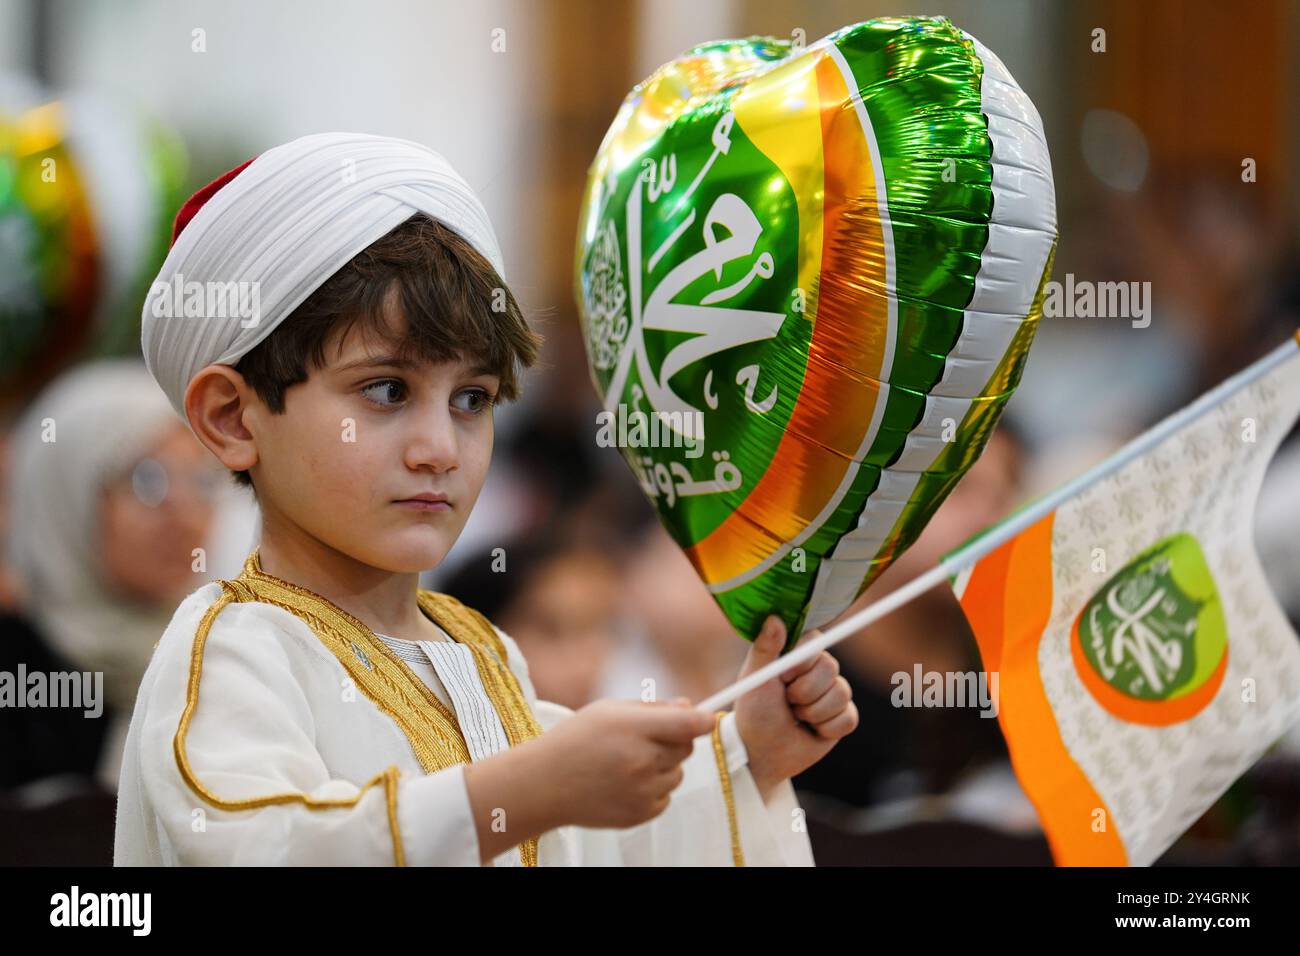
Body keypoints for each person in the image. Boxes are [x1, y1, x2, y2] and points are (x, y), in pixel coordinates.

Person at [115, 132, 857, 866]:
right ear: (232, 417)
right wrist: (525, 789)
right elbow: (272, 849)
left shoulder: (479, 649)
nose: (439, 447)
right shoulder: (233, 651)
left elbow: (585, 842)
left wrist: (744, 757)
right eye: (385, 391)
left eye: (472, 398)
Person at [4, 359, 219, 795]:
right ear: (67, 494)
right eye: (148, 480)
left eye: (201, 480)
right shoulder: (17, 674)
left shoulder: (218, 656)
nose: (185, 515)